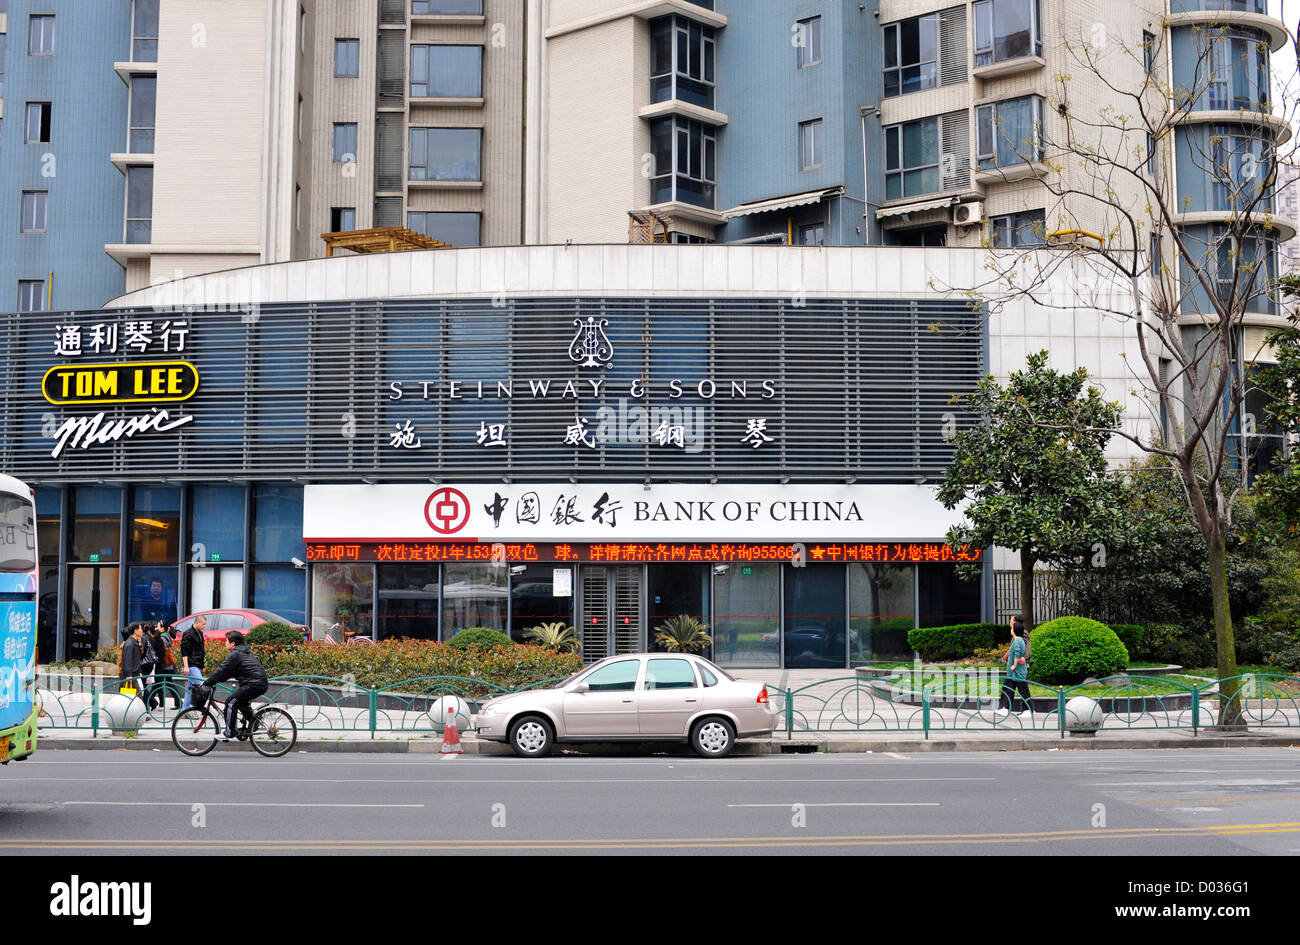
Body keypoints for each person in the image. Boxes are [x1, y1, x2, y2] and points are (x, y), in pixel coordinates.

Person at [202, 630, 268, 741]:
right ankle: (254, 722)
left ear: (233, 643)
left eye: (226, 641)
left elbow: (221, 670)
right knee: (240, 703)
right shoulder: (243, 652)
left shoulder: (235, 654)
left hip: (253, 684)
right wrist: (213, 681)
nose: (225, 643)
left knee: (230, 703)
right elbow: (227, 673)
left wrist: (207, 682)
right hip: (257, 683)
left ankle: (229, 733)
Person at [996, 616, 1032, 719]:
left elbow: (1027, 645)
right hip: (1014, 669)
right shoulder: (1016, 635)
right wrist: (1008, 653)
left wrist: (1023, 658)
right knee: (1009, 687)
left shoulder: (1022, 633)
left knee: (1020, 688)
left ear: (1015, 623)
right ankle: (1005, 708)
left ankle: (1008, 708)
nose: (1009, 621)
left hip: (1017, 668)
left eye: (1011, 620)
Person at [146, 621, 181, 710]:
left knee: (160, 683)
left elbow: (161, 652)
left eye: (158, 626)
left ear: (163, 628)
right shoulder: (166, 635)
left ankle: (150, 700)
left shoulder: (163, 637)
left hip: (165, 665)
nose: (157, 628)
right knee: (163, 683)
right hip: (167, 665)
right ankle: (173, 702)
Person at [179, 615, 208, 710]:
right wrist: (186, 666)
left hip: (196, 664)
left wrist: (202, 665)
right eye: (203, 624)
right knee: (201, 686)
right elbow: (184, 650)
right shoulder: (188, 633)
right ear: (196, 623)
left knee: (190, 689)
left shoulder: (200, 633)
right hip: (191, 664)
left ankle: (185, 710)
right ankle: (192, 708)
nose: (204, 626)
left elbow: (201, 650)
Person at [119, 622, 149, 703]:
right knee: (137, 697)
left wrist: (139, 671)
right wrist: (129, 675)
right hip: (132, 675)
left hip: (135, 673)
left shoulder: (134, 642)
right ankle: (140, 714)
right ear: (135, 631)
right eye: (139, 628)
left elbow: (136, 659)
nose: (142, 630)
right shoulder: (130, 643)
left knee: (138, 696)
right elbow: (127, 660)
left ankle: (139, 714)